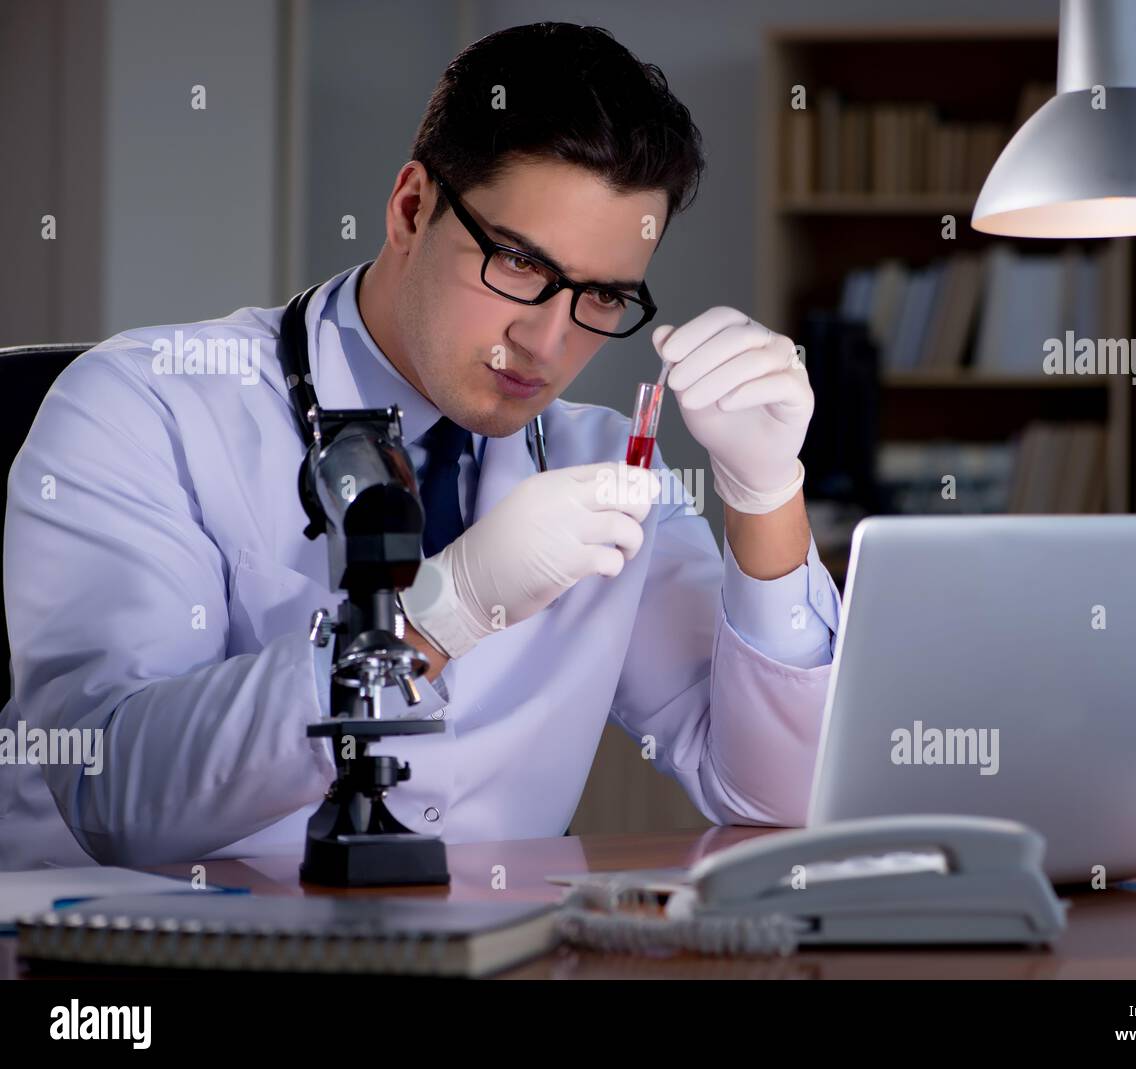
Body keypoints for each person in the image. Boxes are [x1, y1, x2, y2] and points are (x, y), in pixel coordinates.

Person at [0, 22, 840, 869]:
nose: (548, 341)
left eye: (603, 297)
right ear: (411, 208)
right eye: (517, 262)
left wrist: (767, 499)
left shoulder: (612, 469)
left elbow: (776, 797)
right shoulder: (146, 403)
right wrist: (439, 613)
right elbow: (112, 796)